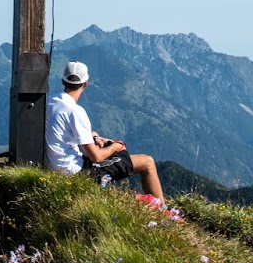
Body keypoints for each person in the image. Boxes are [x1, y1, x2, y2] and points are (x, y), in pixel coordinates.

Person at [45, 59, 165, 204]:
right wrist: (115, 146)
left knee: (94, 133)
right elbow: (96, 157)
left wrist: (95, 138)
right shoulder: (75, 111)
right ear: (85, 84)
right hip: (75, 174)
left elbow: (66, 133)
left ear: (63, 81)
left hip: (54, 166)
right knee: (147, 162)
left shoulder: (51, 102)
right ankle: (163, 210)